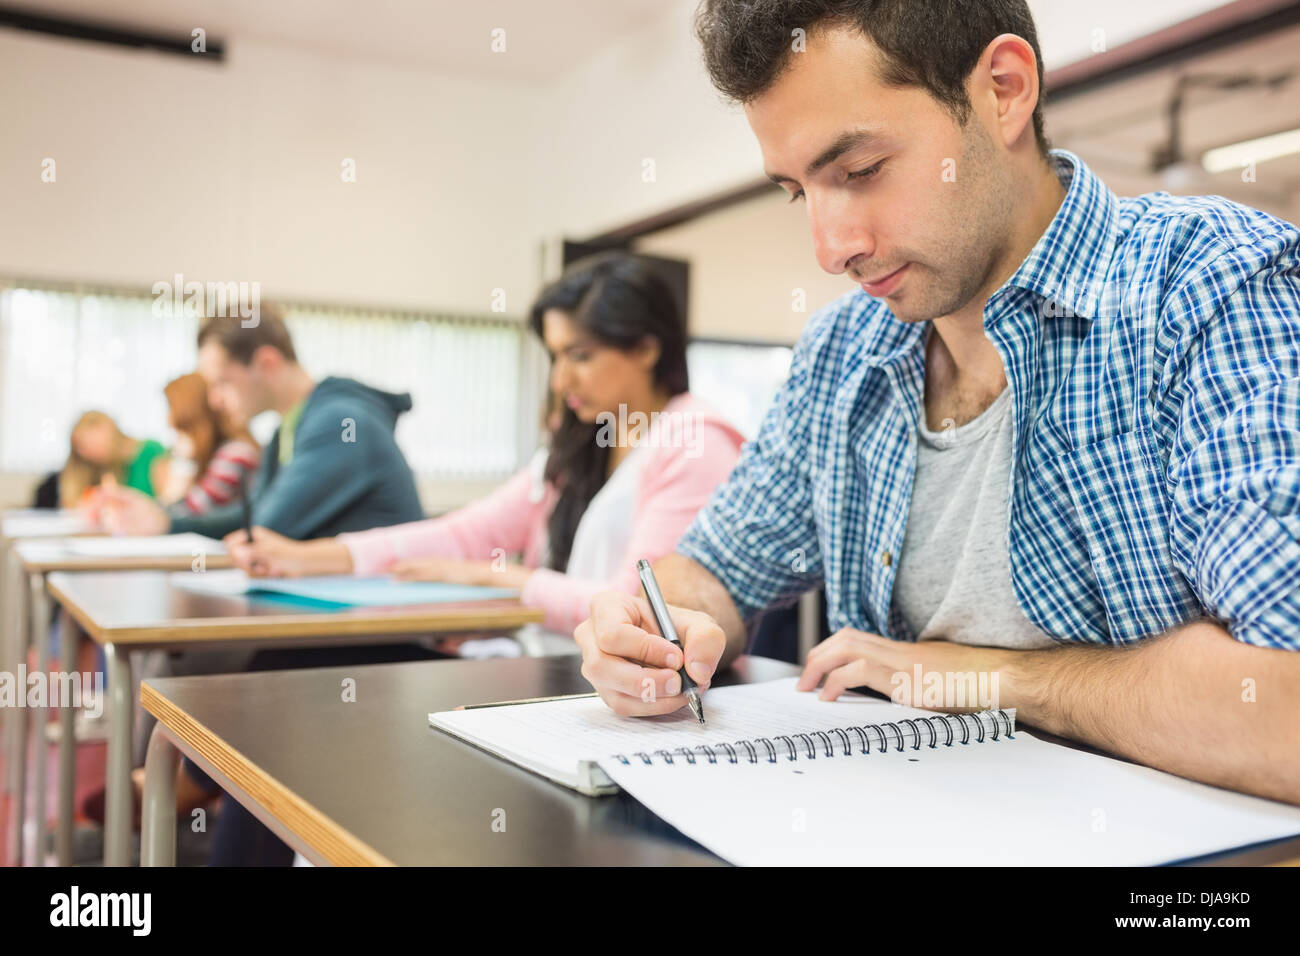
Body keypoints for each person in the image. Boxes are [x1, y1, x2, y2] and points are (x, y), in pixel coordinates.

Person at [575, 0, 1300, 807]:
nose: (829, 248)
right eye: (798, 191)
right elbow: (714, 568)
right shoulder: (845, 353)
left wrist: (992, 678)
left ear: (1003, 89)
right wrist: (654, 628)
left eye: (859, 171)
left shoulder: (1206, 284)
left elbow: (1286, 709)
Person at [227, 253, 746, 643]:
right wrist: (309, 559)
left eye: (580, 355)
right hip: (565, 679)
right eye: (554, 356)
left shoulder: (694, 442)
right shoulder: (584, 442)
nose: (561, 378)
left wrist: (494, 578)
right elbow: (469, 533)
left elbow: (639, 608)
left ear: (647, 348)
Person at [95, 306, 424, 539]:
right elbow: (251, 514)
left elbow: (264, 528)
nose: (214, 400)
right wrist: (164, 521)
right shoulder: (287, 430)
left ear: (266, 362)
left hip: (372, 628)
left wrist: (169, 523)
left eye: (222, 382)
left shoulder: (342, 424)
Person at [160, 371, 260, 515]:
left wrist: (184, 463)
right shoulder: (214, 455)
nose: (169, 420)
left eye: (172, 408)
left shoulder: (236, 453)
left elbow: (185, 515)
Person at [60, 410, 167, 507]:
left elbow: (167, 504)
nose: (85, 454)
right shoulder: (101, 469)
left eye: (88, 444)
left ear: (105, 427)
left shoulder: (151, 451)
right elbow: (72, 503)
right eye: (80, 449)